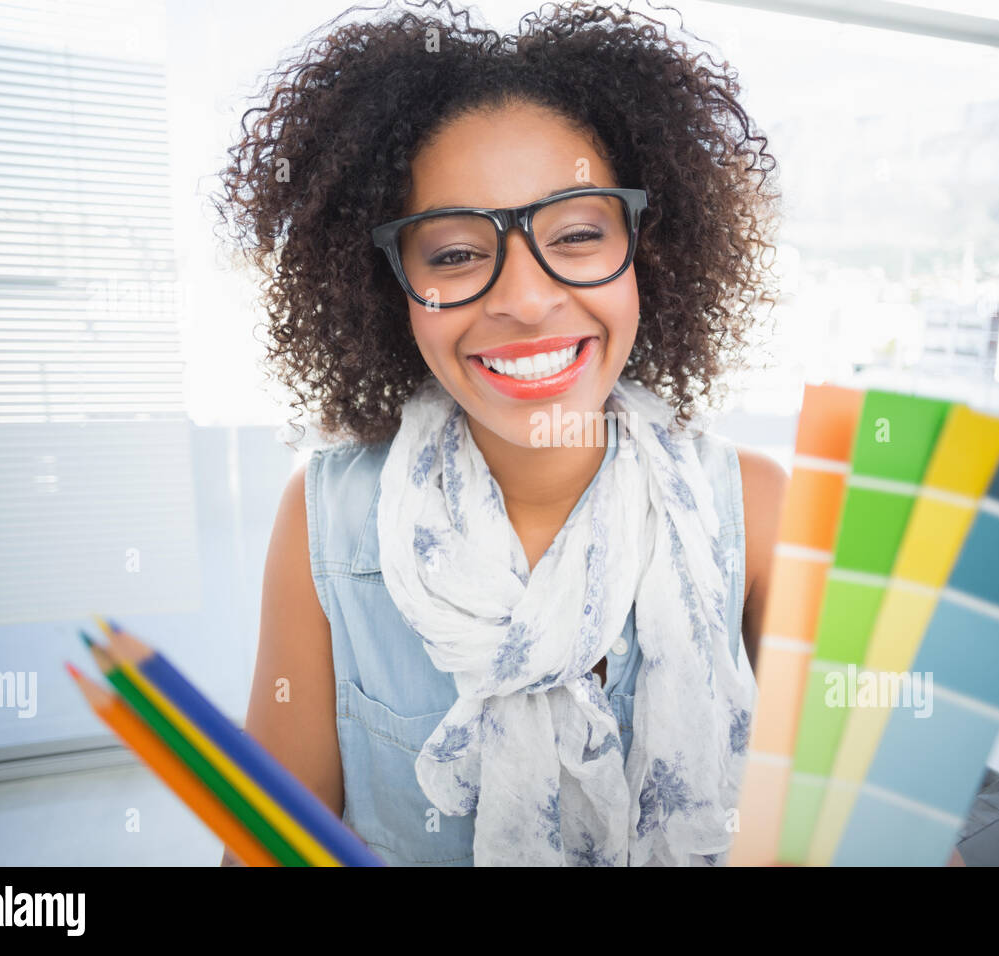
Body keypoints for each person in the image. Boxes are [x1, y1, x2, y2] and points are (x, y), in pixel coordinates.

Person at [213, 0, 787, 866]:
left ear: (647, 252)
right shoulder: (324, 521)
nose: (523, 298)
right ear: (389, 288)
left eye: (579, 233)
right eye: (453, 253)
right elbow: (266, 852)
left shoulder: (760, 509)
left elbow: (890, 835)